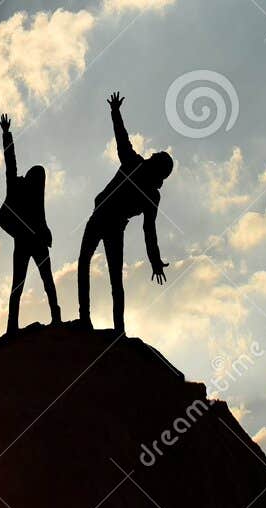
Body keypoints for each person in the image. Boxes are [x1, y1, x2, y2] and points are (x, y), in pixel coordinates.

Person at [77, 92, 173, 333]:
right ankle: (96, 322)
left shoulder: (140, 173)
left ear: (158, 168)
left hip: (107, 222)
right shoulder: (141, 175)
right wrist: (115, 111)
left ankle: (105, 325)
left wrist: (115, 112)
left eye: (155, 157)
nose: (151, 156)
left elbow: (149, 230)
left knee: (101, 272)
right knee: (105, 274)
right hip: (106, 220)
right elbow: (149, 231)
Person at [0, 113, 61, 332]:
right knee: (19, 285)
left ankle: (56, 318)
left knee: (46, 282)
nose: (40, 180)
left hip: (37, 240)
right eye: (37, 176)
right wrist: (6, 135)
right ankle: (12, 326)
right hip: (25, 241)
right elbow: (10, 161)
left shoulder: (36, 195)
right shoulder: (17, 186)